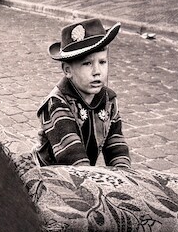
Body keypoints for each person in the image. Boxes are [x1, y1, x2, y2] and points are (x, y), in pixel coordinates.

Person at [36, 18, 130, 168]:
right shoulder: (57, 104)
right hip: (52, 176)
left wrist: (124, 175)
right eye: (87, 64)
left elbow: (116, 146)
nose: (97, 72)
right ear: (68, 70)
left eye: (102, 62)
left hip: (83, 175)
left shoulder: (108, 101)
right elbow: (72, 157)